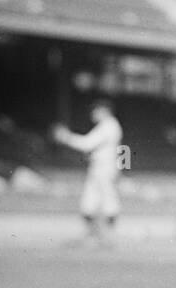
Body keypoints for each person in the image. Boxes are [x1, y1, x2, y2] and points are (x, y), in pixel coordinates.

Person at [52, 99, 124, 242]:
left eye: (95, 111)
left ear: (103, 111)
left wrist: (66, 137)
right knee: (89, 200)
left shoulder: (109, 125)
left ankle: (110, 234)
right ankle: (92, 233)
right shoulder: (106, 125)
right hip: (98, 168)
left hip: (105, 168)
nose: (92, 114)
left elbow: (87, 144)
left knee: (108, 199)